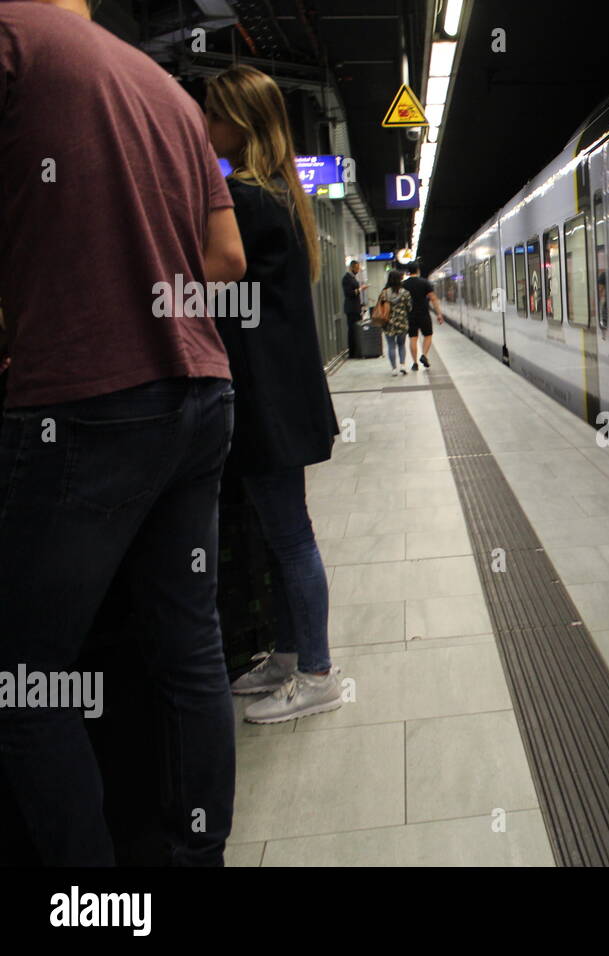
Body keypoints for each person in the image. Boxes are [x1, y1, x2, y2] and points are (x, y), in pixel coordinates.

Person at [0, 0, 245, 865]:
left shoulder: (13, 39)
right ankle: (195, 854)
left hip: (88, 396)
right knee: (190, 647)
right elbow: (225, 258)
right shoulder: (170, 94)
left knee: (26, 677)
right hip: (199, 391)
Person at [204, 65, 342, 723]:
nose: (205, 127)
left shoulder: (245, 201)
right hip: (281, 395)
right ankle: (289, 655)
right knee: (282, 529)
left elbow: (219, 286)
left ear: (240, 122)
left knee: (289, 535)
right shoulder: (278, 197)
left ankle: (317, 673)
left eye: (213, 115)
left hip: (267, 398)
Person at [402, 262, 444, 371]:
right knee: (428, 335)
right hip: (424, 314)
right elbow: (433, 298)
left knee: (413, 338)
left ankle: (415, 363)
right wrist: (439, 314)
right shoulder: (425, 283)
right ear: (418, 270)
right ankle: (424, 355)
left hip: (410, 315)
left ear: (408, 271)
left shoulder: (403, 284)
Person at [376, 271, 412, 376]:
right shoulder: (405, 293)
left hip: (388, 323)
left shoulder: (384, 293)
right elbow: (409, 307)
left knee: (391, 346)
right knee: (401, 345)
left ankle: (394, 369)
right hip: (402, 323)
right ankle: (403, 366)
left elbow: (380, 307)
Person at [342, 259, 366, 349]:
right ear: (352, 267)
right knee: (352, 329)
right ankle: (352, 350)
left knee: (356, 329)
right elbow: (349, 293)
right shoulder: (347, 278)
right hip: (351, 309)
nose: (358, 270)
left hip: (355, 308)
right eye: (357, 268)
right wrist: (360, 289)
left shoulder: (352, 278)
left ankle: (357, 348)